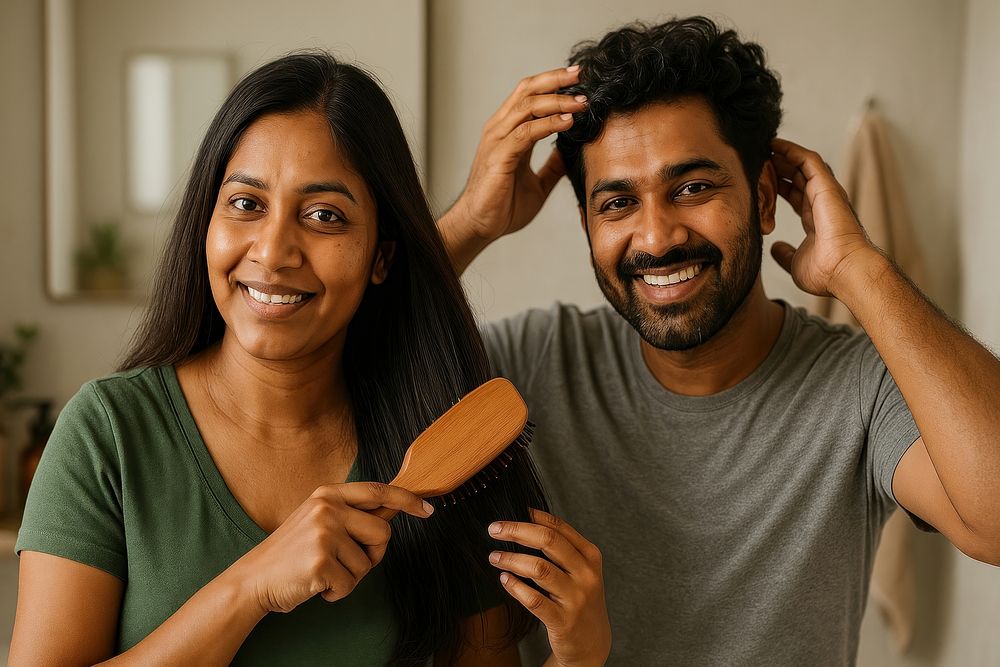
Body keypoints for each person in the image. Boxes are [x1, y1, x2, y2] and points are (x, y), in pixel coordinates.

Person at [10, 53, 610, 666]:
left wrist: (580, 659)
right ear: (206, 224)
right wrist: (249, 588)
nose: (273, 252)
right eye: (246, 203)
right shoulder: (108, 433)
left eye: (325, 216)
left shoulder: (439, 444)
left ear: (381, 258)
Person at [437, 16, 1000, 666]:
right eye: (617, 203)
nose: (657, 237)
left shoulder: (860, 387)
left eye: (693, 188)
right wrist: (470, 223)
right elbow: (348, 372)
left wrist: (860, 269)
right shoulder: (534, 364)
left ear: (763, 199)